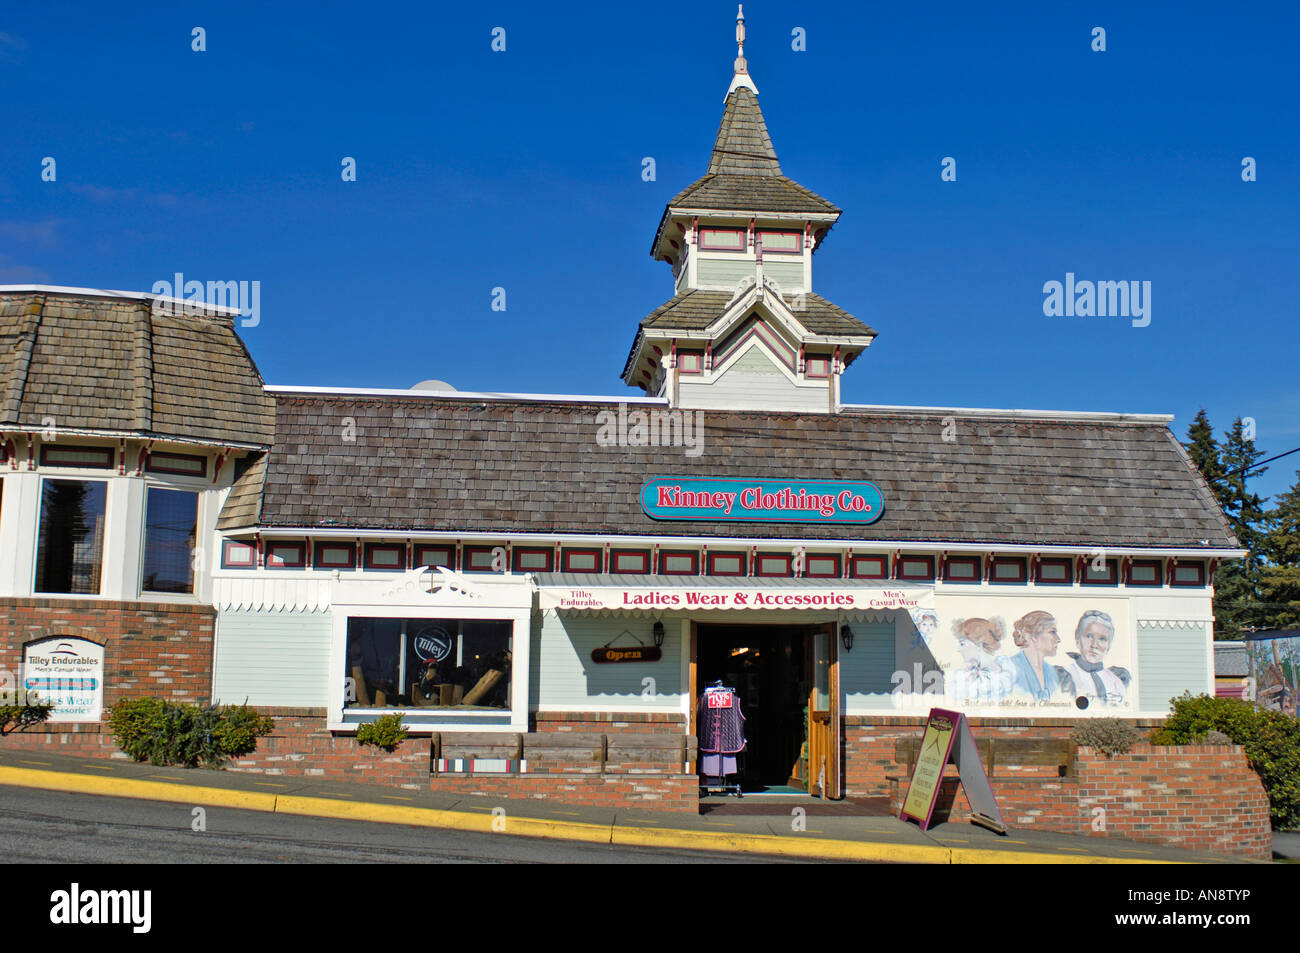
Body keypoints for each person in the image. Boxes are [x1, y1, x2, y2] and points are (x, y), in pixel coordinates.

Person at [1055, 610, 1130, 706]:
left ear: (1108, 647)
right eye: (1089, 636)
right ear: (1078, 640)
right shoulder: (1065, 676)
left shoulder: (1116, 682)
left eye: (1102, 639)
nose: (1094, 645)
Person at [948, 617, 1015, 705]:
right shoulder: (963, 675)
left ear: (979, 643)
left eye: (962, 643)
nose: (958, 649)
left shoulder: (1003, 677)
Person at [1009, 610, 1063, 702]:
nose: (1058, 639)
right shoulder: (1009, 669)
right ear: (1034, 636)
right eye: (1052, 632)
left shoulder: (1054, 674)